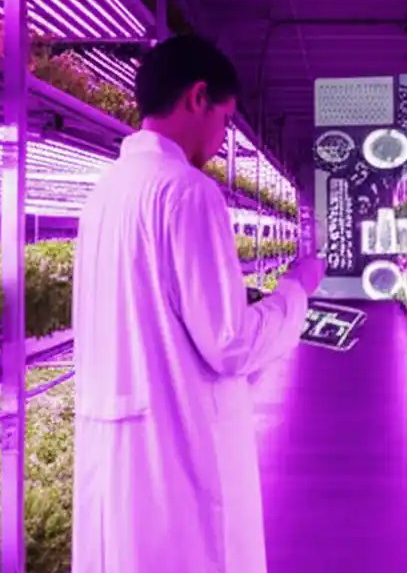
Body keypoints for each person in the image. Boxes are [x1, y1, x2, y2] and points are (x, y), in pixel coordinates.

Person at [70, 34, 325, 573]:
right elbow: (229, 345)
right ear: (198, 97)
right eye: (226, 120)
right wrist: (295, 290)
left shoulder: (105, 192)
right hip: (176, 455)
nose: (222, 139)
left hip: (119, 448)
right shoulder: (186, 190)